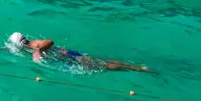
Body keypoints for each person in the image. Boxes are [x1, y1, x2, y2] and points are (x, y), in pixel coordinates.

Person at [8, 32, 147, 72]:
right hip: (69, 55)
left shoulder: (34, 44)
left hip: (70, 56)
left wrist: (38, 51)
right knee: (102, 61)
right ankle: (134, 66)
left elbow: (50, 41)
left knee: (103, 65)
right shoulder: (28, 44)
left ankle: (137, 68)